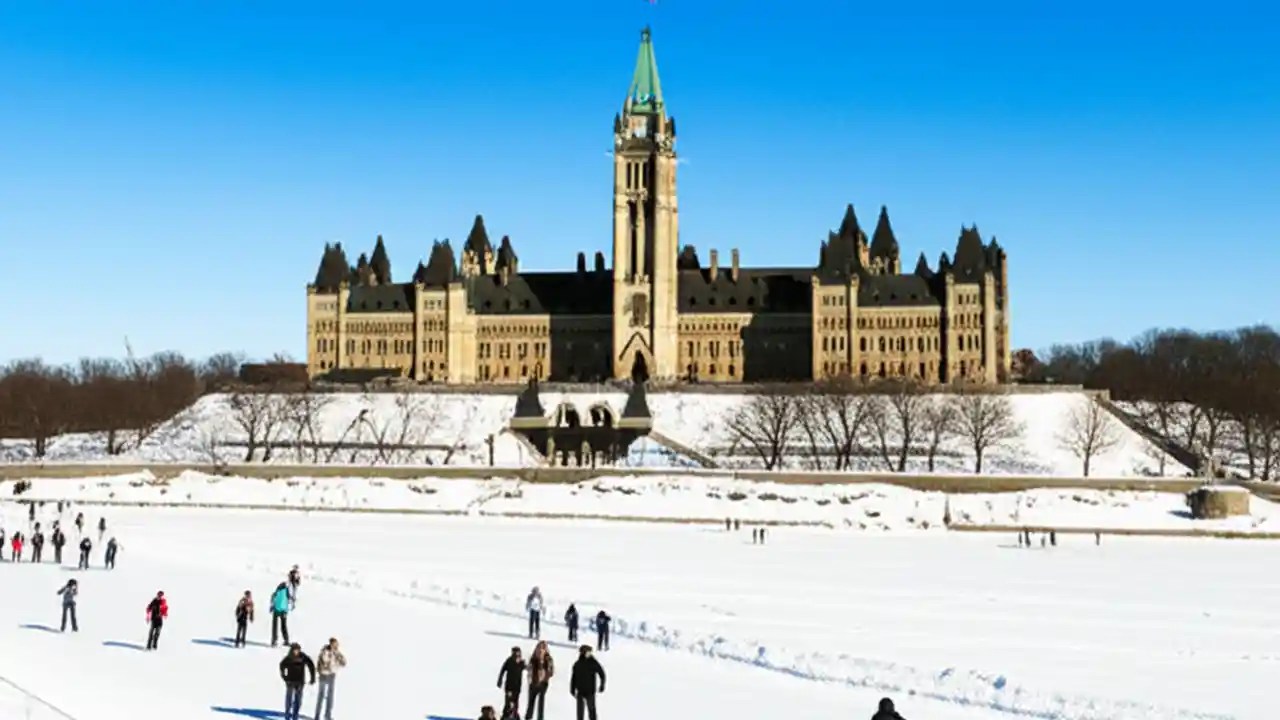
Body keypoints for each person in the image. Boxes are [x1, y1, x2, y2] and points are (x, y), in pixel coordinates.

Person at [278, 643, 316, 720]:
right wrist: (284, 676)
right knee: (289, 698)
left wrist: (312, 677)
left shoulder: (302, 656)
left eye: (297, 650)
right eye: (295, 650)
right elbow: (282, 665)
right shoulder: (288, 658)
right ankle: (287, 714)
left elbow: (311, 664)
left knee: (298, 699)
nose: (296, 652)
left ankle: (295, 715)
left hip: (300, 681)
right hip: (290, 681)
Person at [569, 645, 605, 720]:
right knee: (580, 713)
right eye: (584, 652)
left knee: (592, 712)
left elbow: (602, 673)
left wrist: (602, 685)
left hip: (590, 691)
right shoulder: (578, 663)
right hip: (580, 691)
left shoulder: (593, 662)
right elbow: (574, 677)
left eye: (588, 652)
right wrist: (572, 688)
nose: (586, 653)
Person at [314, 637, 346, 720]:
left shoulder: (336, 653)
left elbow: (344, 663)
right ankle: (317, 715)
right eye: (334, 644)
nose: (336, 646)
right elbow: (325, 662)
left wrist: (337, 655)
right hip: (323, 675)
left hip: (332, 675)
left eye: (337, 644)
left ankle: (327, 715)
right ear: (331, 644)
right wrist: (333, 656)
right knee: (321, 695)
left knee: (330, 697)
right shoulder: (325, 651)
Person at [526, 640, 554, 720]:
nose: (541, 650)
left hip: (543, 683)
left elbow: (551, 671)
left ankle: (540, 718)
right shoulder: (533, 658)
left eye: (543, 648)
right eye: (539, 647)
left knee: (541, 701)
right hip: (533, 682)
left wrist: (547, 673)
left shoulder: (548, 659)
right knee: (531, 701)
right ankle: (528, 717)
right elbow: (529, 669)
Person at [497, 646, 526, 713]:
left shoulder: (521, 662)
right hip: (509, 686)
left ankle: (515, 715)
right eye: (514, 653)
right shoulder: (509, 660)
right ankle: (506, 714)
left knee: (515, 701)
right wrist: (500, 680)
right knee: (508, 701)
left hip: (517, 686)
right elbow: (502, 670)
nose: (516, 655)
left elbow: (527, 668)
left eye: (517, 653)